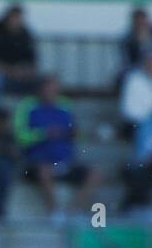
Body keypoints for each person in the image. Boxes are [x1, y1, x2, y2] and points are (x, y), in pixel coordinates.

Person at [15, 75, 100, 218]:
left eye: (54, 89)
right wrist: (43, 134)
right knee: (44, 170)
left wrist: (76, 134)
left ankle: (75, 211)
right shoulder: (27, 106)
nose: (51, 93)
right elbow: (20, 135)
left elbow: (76, 132)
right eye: (48, 89)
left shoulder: (65, 106)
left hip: (64, 161)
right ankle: (55, 211)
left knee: (96, 174)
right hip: (37, 161)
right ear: (40, 90)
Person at [0, 4, 38, 113]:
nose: (16, 21)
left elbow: (32, 63)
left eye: (18, 18)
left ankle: (29, 117)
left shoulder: (25, 34)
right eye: (14, 18)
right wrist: (10, 71)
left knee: (40, 82)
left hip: (18, 77)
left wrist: (23, 71)